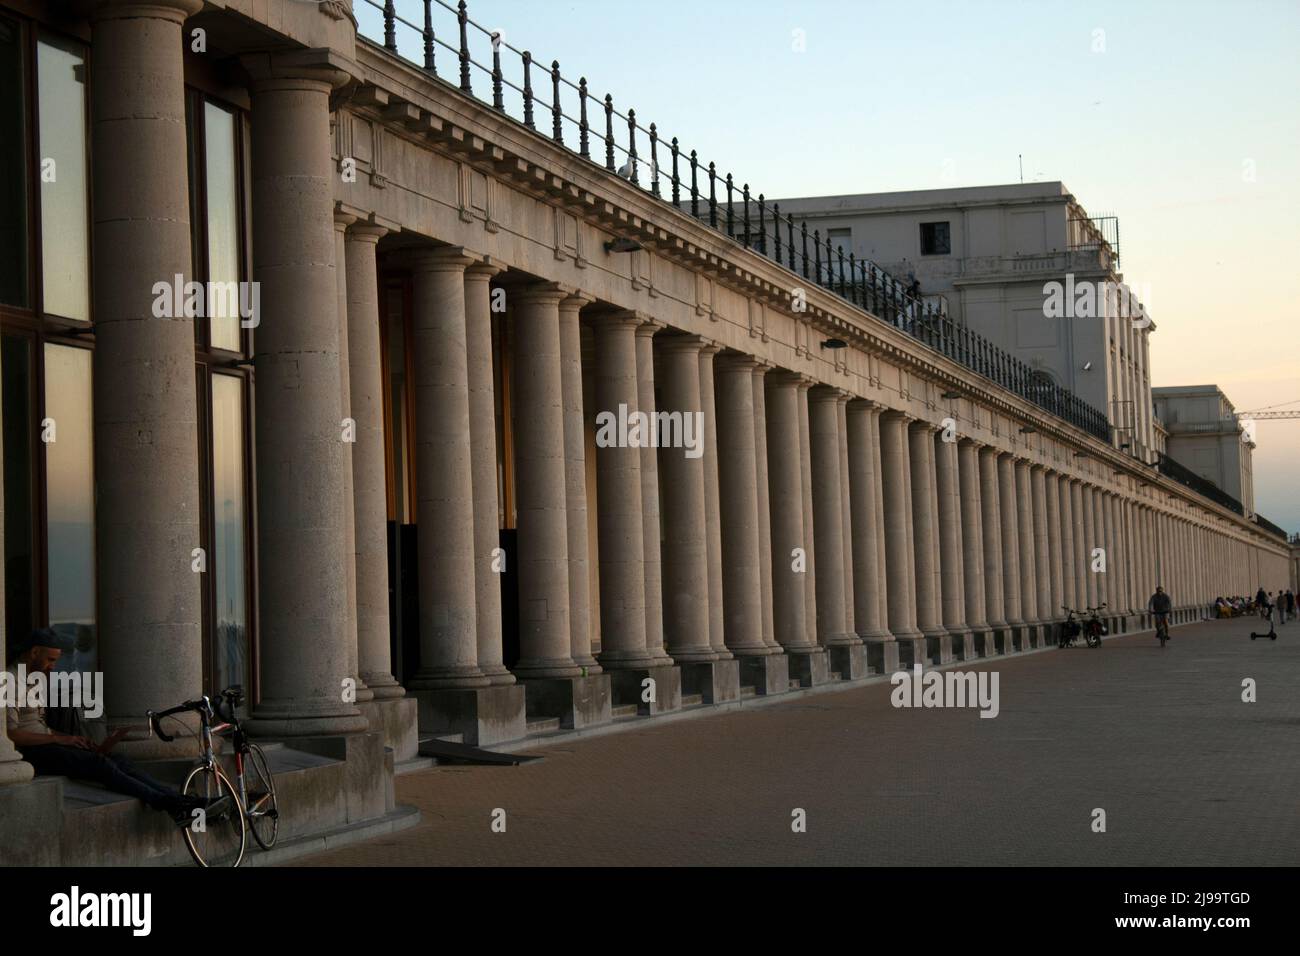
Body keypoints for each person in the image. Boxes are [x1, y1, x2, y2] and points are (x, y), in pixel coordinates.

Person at [5, 628, 223, 826]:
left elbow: (40, 727)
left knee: (118, 760)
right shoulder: (8, 681)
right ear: (34, 653)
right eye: (49, 660)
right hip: (31, 753)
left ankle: (182, 801)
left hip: (48, 746)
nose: (53, 666)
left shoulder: (35, 680)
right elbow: (10, 734)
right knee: (101, 764)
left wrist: (71, 739)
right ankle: (171, 804)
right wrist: (60, 740)